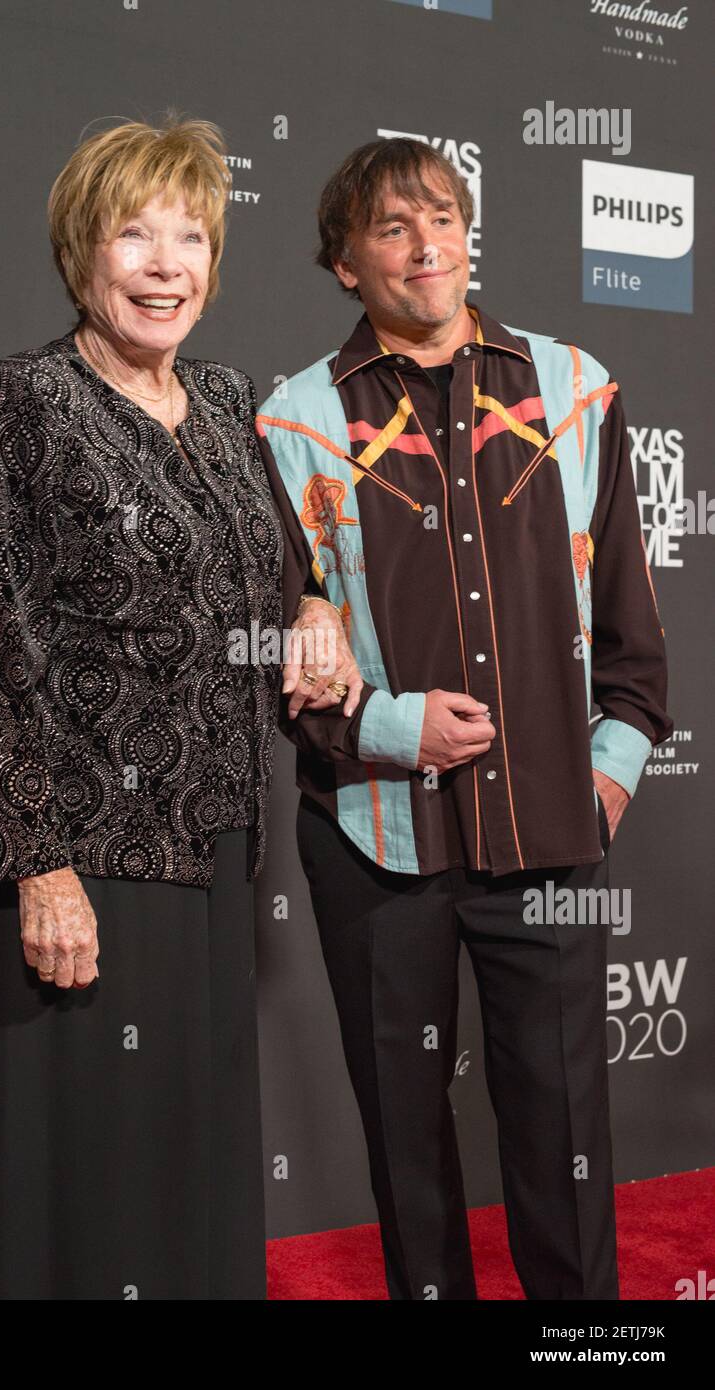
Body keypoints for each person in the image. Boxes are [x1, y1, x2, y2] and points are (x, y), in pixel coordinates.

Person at [0, 116, 352, 1300]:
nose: (167, 263)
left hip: (215, 843)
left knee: (187, 1170)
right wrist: (36, 863)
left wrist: (314, 605)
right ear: (84, 251)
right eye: (137, 233)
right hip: (82, 849)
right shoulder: (25, 399)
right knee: (70, 1184)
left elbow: (280, 580)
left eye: (191, 236)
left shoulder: (231, 401)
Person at [256, 137, 672, 1300]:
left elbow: (636, 640)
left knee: (568, 1153)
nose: (425, 244)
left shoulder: (578, 388)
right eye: (391, 227)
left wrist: (603, 782)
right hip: (377, 843)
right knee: (409, 1157)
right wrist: (395, 731)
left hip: (553, 836)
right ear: (345, 262)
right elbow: (282, 664)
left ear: (470, 230)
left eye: (441, 216)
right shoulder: (289, 425)